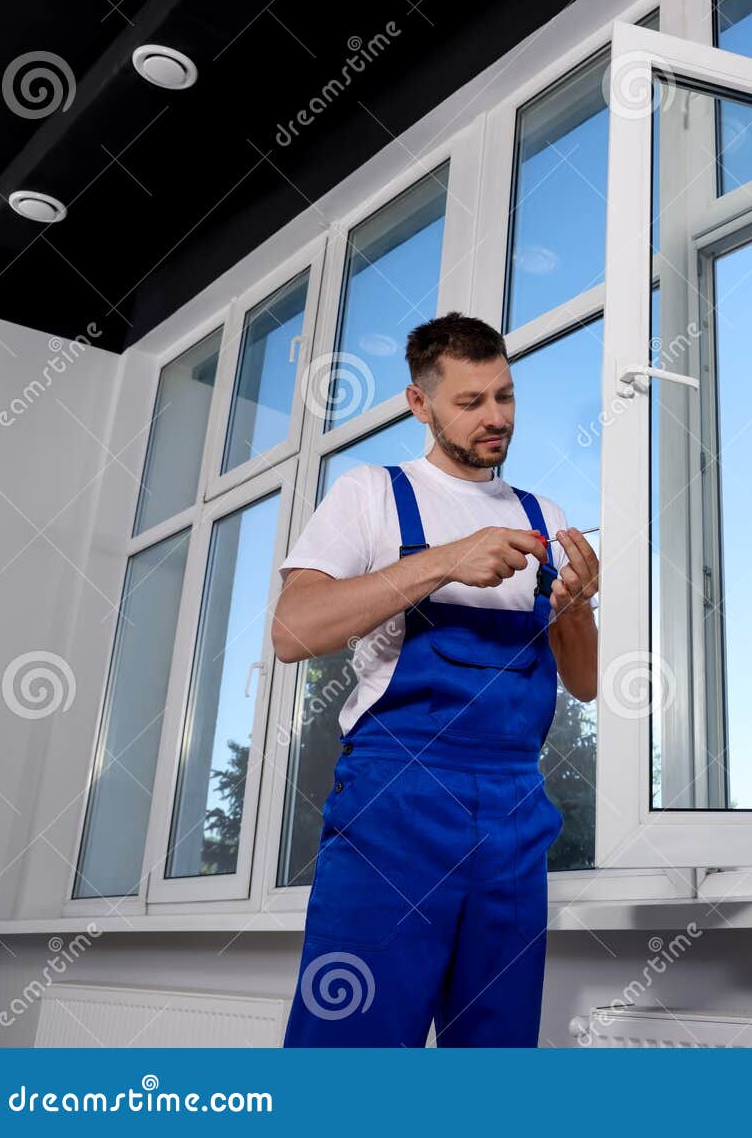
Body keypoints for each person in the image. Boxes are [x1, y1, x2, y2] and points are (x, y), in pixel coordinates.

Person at [272, 312, 599, 1047]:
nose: (496, 418)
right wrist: (445, 560)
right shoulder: (372, 493)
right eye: (471, 401)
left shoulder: (543, 516)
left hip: (516, 814)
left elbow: (584, 680)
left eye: (506, 396)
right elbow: (293, 630)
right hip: (397, 805)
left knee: (495, 1054)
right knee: (350, 1048)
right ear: (420, 403)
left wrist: (574, 605)